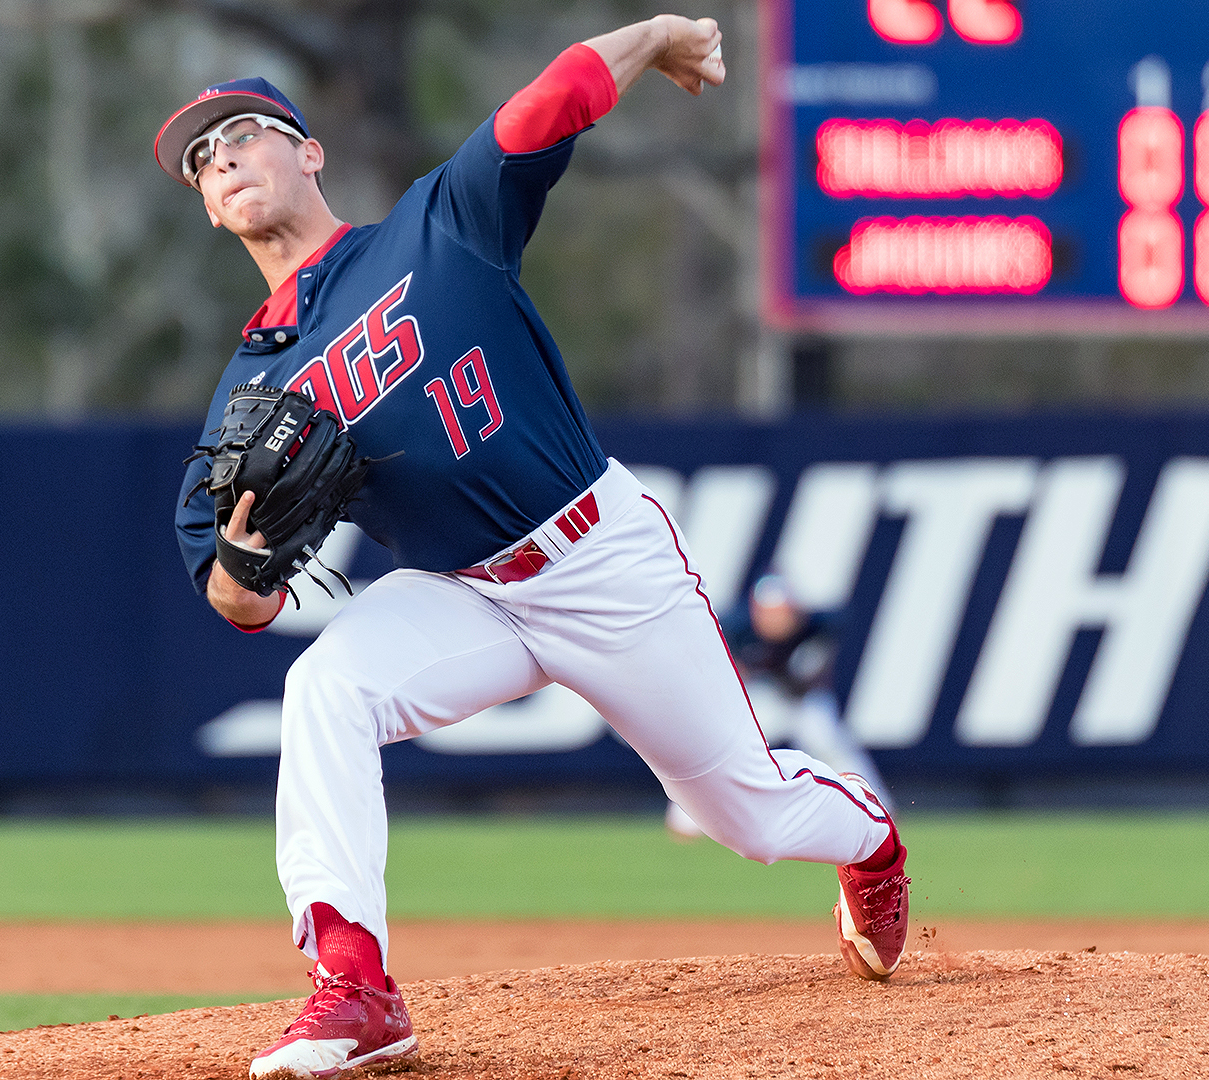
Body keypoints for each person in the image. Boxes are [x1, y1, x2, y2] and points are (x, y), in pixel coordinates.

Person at [161, 16, 910, 1078]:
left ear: (307, 149)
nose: (223, 158)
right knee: (324, 686)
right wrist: (245, 564)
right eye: (202, 159)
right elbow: (233, 598)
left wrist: (653, 36)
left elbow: (540, 108)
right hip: (465, 594)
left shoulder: (435, 229)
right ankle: (353, 986)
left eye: (242, 132)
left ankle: (871, 841)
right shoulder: (250, 389)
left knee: (742, 813)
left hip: (601, 558)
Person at [665, 572, 891, 838]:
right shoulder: (737, 628)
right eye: (770, 612)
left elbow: (819, 659)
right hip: (761, 695)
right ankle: (685, 820)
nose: (777, 618)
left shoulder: (816, 626)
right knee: (728, 747)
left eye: (783, 611)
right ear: (756, 611)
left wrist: (808, 670)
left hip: (803, 699)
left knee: (828, 740)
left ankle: (877, 807)